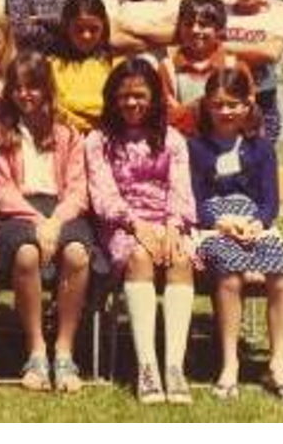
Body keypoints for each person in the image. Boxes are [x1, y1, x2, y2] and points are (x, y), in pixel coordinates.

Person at [0, 51, 107, 393]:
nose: (25, 94)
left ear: (46, 89)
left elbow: (78, 190)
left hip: (63, 210)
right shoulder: (0, 133)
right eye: (17, 87)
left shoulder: (68, 133)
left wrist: (54, 221)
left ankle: (64, 351)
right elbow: (2, 190)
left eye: (33, 87)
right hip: (19, 211)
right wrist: (37, 220)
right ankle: (36, 350)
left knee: (77, 254)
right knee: (26, 254)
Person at [84, 58, 196, 404]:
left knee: (181, 259)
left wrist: (173, 227)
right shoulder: (99, 140)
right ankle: (147, 367)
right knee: (138, 256)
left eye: (140, 95)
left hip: (167, 221)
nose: (132, 103)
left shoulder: (172, 139)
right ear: (112, 98)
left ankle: (174, 367)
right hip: (121, 224)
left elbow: (180, 189)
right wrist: (136, 225)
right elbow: (103, 195)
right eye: (124, 96)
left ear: (154, 97)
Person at [188, 67, 283, 402]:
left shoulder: (260, 147)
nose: (225, 111)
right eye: (218, 104)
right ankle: (230, 363)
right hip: (214, 226)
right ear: (207, 106)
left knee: (280, 272)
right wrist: (220, 223)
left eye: (233, 104)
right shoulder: (195, 147)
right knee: (230, 274)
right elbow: (192, 199)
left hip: (254, 224)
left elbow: (270, 200)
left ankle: (276, 364)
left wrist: (258, 223)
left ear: (247, 104)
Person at [223, 0, 283, 142]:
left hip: (263, 101)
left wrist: (224, 48)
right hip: (223, 101)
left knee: (260, 155)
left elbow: (271, 53)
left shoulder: (278, 15)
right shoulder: (220, 12)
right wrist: (254, 51)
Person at [159, 0, 235, 136]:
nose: (195, 30)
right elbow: (166, 117)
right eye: (188, 24)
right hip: (183, 144)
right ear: (179, 27)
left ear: (219, 28)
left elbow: (244, 113)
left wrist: (185, 110)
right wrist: (212, 107)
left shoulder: (232, 65)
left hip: (224, 144)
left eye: (203, 25)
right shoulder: (168, 68)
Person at [50, 0, 116, 134]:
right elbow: (56, 109)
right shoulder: (52, 66)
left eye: (94, 29)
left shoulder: (115, 64)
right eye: (79, 29)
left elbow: (116, 108)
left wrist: (74, 105)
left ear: (104, 26)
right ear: (66, 27)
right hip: (67, 137)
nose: (86, 36)